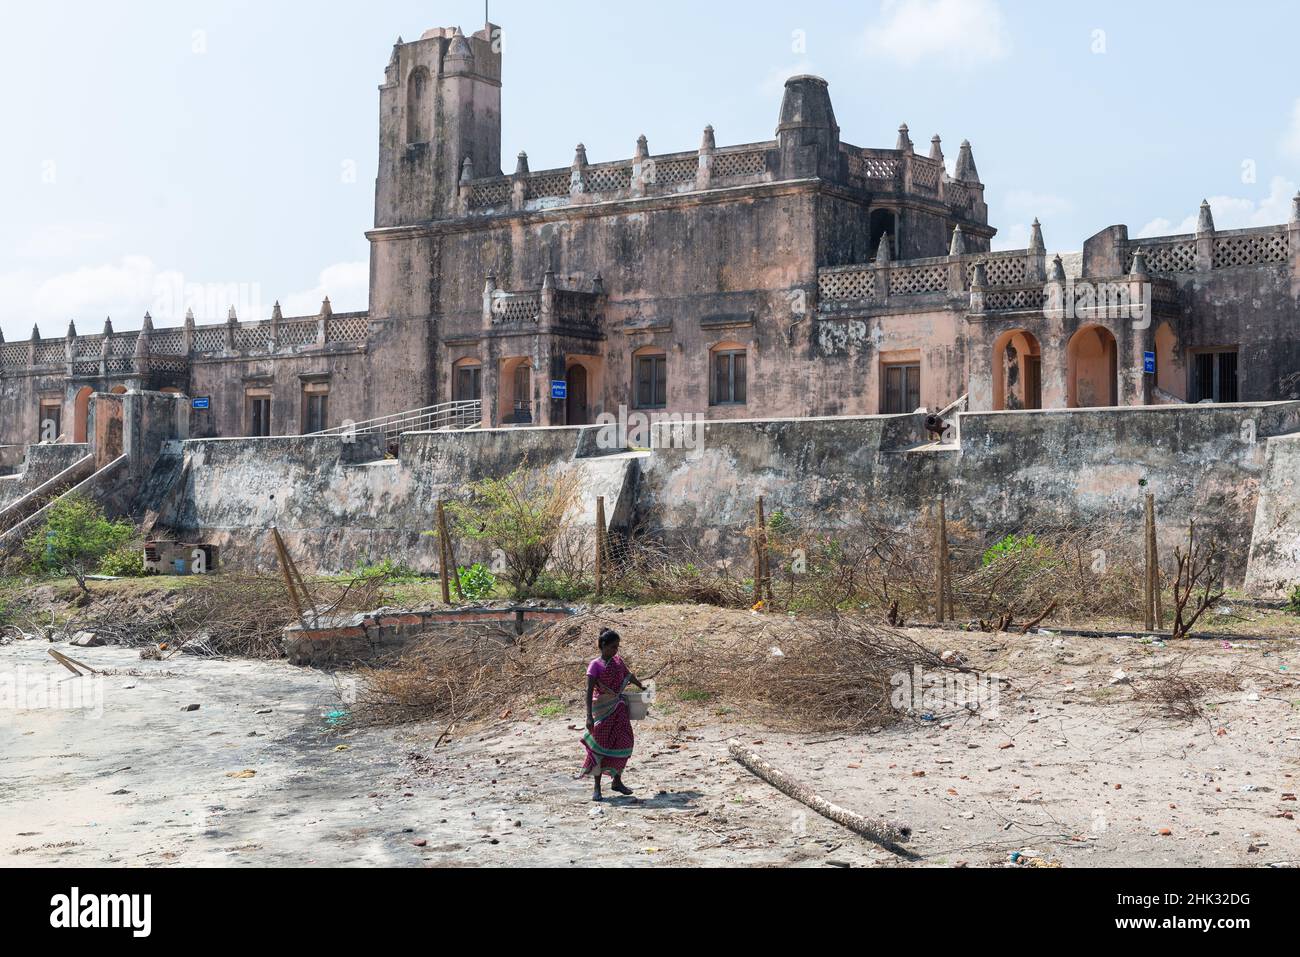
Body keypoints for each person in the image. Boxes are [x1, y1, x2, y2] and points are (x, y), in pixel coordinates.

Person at [579, 628, 646, 802]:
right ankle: (597, 787)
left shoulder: (617, 661)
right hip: (602, 710)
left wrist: (642, 687)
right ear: (603, 646)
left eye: (617, 647)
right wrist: (588, 716)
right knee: (599, 748)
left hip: (619, 709)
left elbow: (628, 675)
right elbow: (588, 691)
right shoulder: (595, 665)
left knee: (624, 743)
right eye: (612, 647)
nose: (615, 650)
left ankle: (617, 781)